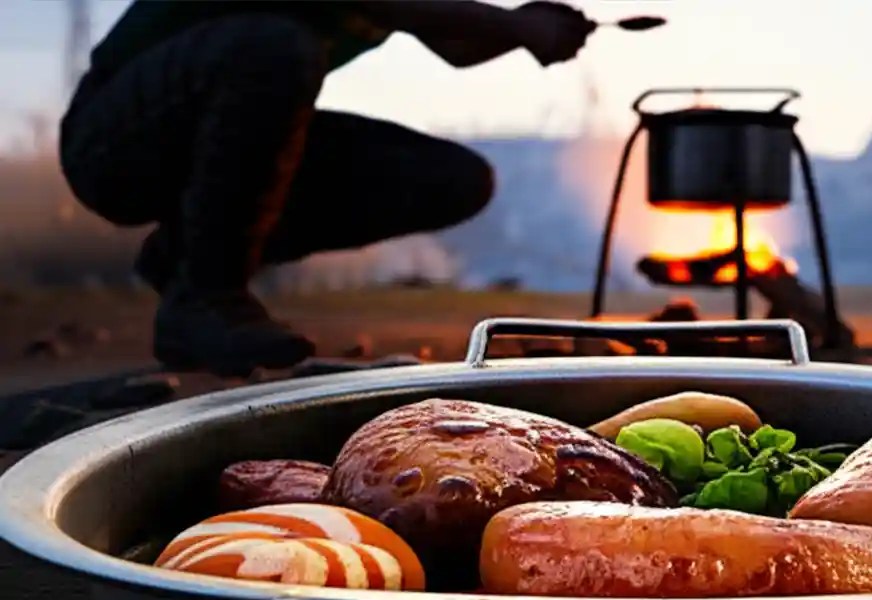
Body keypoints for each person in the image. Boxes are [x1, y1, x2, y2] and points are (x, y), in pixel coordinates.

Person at [59, 1, 594, 377]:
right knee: (273, 47)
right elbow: (398, 7)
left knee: (452, 179)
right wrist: (522, 26)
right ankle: (209, 295)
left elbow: (455, 46)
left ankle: (185, 262)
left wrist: (531, 27)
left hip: (224, 131)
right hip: (112, 140)